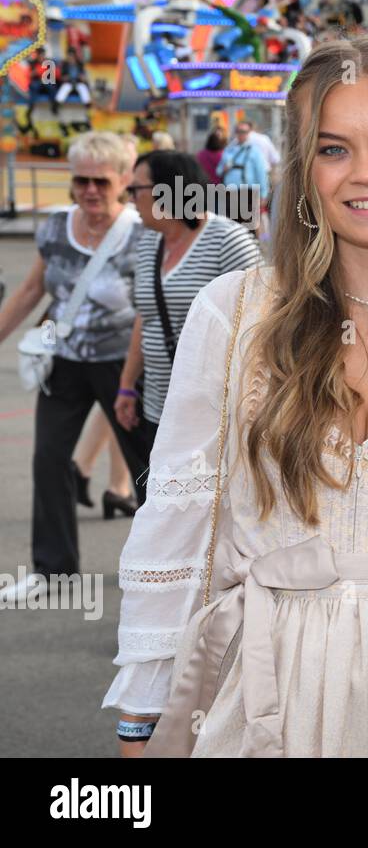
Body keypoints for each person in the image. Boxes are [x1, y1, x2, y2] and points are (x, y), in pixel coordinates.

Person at [103, 34, 368, 757]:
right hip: (269, 682)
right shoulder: (234, 315)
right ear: (304, 171)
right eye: (334, 149)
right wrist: (142, 718)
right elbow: (177, 526)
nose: (365, 172)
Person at [0, 133, 151, 604]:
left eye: (100, 181)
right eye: (81, 180)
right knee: (48, 459)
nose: (89, 190)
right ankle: (55, 572)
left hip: (123, 364)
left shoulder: (140, 233)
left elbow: (149, 307)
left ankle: (162, 570)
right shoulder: (55, 227)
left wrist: (133, 377)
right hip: (64, 361)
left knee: (149, 467)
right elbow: (30, 291)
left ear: (124, 181)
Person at [114, 150, 263, 456]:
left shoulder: (228, 240)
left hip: (215, 415)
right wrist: (127, 384)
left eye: (135, 189)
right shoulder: (149, 244)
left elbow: (263, 320)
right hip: (158, 409)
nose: (130, 199)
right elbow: (147, 317)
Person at [216, 122, 271, 230]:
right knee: (232, 227)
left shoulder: (255, 151)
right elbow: (218, 171)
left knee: (249, 228)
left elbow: (261, 174)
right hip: (230, 193)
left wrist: (263, 194)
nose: (241, 134)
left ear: (248, 133)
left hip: (248, 193)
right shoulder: (229, 150)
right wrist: (224, 169)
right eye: (239, 131)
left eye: (244, 132)